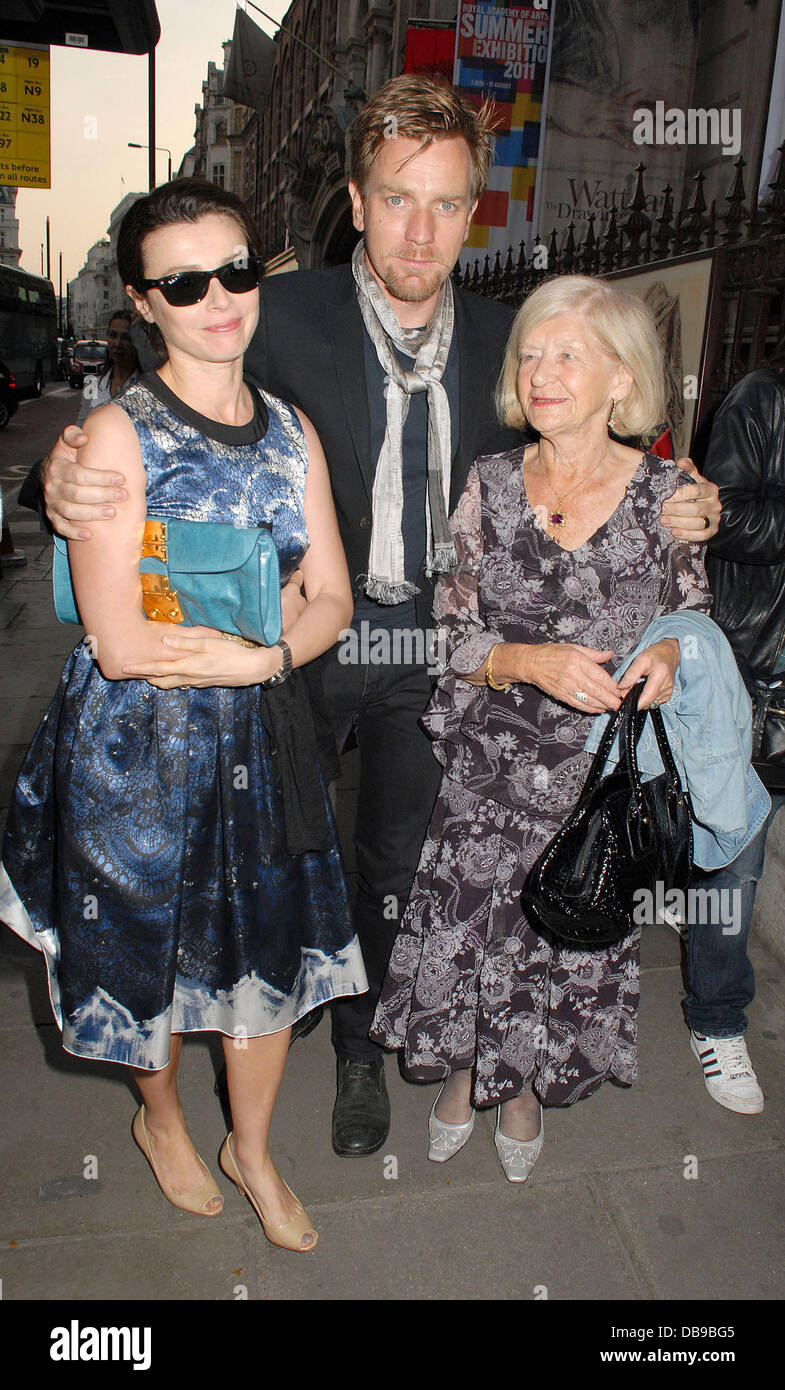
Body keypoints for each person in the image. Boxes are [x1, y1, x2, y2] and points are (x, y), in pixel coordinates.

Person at [36, 75, 723, 1159]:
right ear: (356, 200)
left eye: (446, 204)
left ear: (472, 213)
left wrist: (686, 492)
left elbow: (599, 433)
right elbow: (165, 400)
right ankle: (255, 1016)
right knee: (270, 843)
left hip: (443, 648)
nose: (420, 228)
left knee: (395, 860)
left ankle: (359, 1048)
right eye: (398, 198)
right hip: (304, 629)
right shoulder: (280, 313)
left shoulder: (509, 334)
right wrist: (58, 471)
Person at [0, 179, 367, 1252]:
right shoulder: (115, 436)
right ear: (142, 302)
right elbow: (118, 643)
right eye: (185, 280)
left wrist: (262, 662)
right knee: (139, 960)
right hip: (134, 750)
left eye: (237, 270)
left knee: (264, 957)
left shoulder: (292, 431)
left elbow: (334, 596)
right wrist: (253, 654)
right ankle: (160, 1119)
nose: (219, 297)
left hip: (261, 736)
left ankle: (251, 1149)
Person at [371, 273, 713, 1181]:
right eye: (530, 353)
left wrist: (668, 661)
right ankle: (464, 1072)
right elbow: (447, 628)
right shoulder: (486, 484)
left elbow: (689, 615)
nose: (541, 372)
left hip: (593, 777)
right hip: (487, 763)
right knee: (472, 925)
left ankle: (515, 1087)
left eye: (569, 354)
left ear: (621, 381)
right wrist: (527, 661)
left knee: (551, 934)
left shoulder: (667, 495)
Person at [681, 364, 785, 1115]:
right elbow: (721, 519)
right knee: (730, 858)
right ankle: (715, 1020)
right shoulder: (763, 398)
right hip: (760, 672)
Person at [74, 308, 142, 426]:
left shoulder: (147, 387)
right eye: (113, 335)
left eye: (126, 338)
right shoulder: (92, 384)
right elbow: (81, 426)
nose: (117, 343)